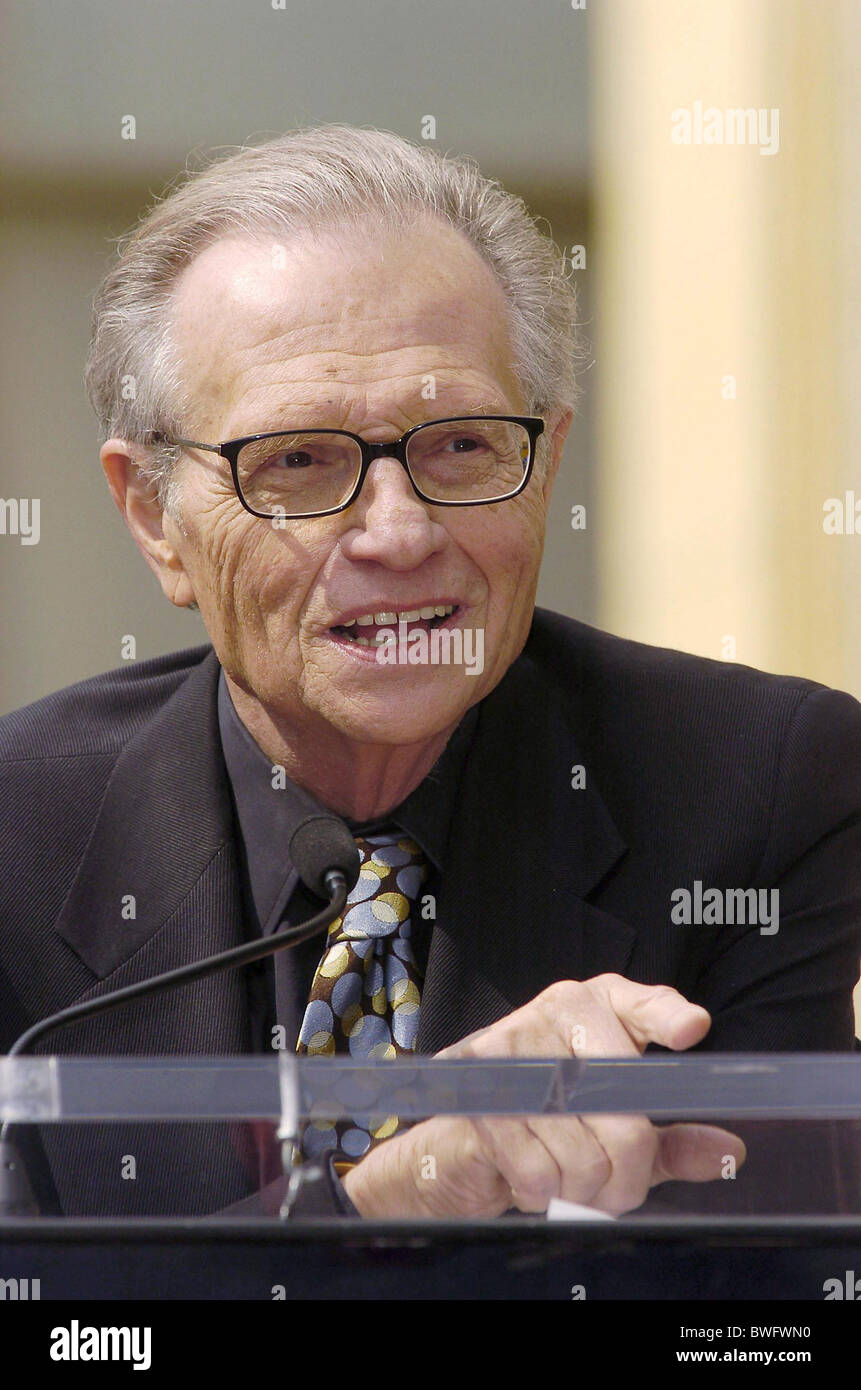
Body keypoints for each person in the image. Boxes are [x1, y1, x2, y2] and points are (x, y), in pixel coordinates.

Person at [1, 125, 859, 1220]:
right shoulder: (18, 838)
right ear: (154, 517)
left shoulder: (761, 791)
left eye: (461, 446)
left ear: (544, 465)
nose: (398, 535)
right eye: (300, 461)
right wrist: (386, 1199)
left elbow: (750, 1327)